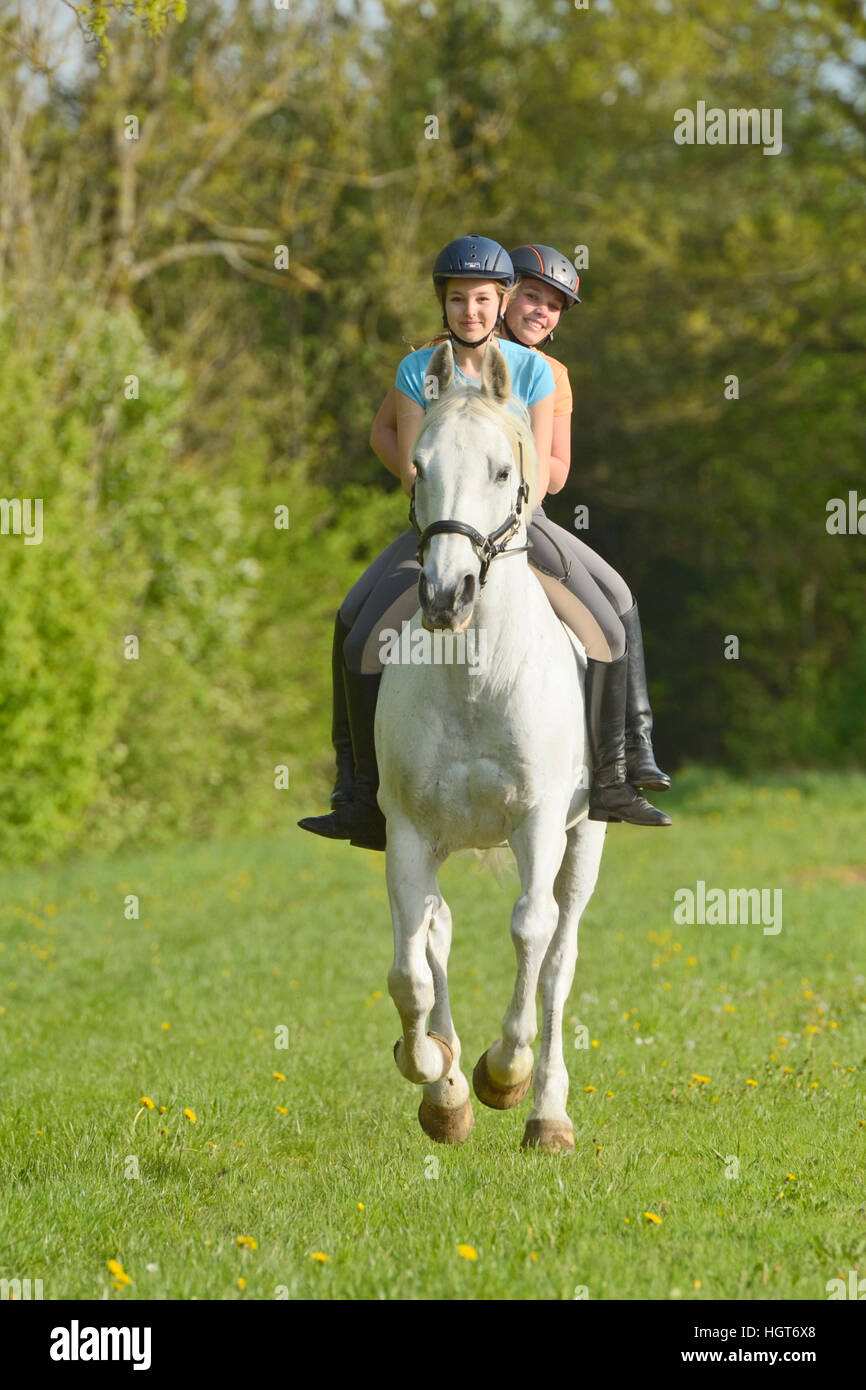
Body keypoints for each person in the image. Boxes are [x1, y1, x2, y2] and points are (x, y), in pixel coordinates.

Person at [299, 235, 670, 851]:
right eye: (458, 299)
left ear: (496, 302)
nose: (473, 310)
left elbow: (552, 473)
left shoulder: (542, 373)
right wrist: (430, 487)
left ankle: (615, 772)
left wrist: (505, 489)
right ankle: (361, 793)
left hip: (520, 526)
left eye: (483, 299)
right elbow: (399, 450)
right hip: (442, 525)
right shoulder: (422, 366)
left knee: (613, 612)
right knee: (355, 626)